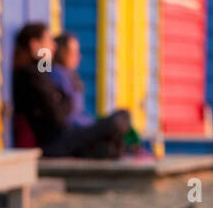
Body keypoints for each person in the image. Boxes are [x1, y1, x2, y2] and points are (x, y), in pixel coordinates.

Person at [10, 23, 128, 159]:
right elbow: (59, 115)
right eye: (48, 41)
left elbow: (58, 100)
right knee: (117, 122)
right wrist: (63, 98)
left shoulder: (41, 72)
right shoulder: (31, 75)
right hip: (56, 141)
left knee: (111, 143)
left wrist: (60, 97)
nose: (53, 46)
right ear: (34, 45)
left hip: (65, 136)